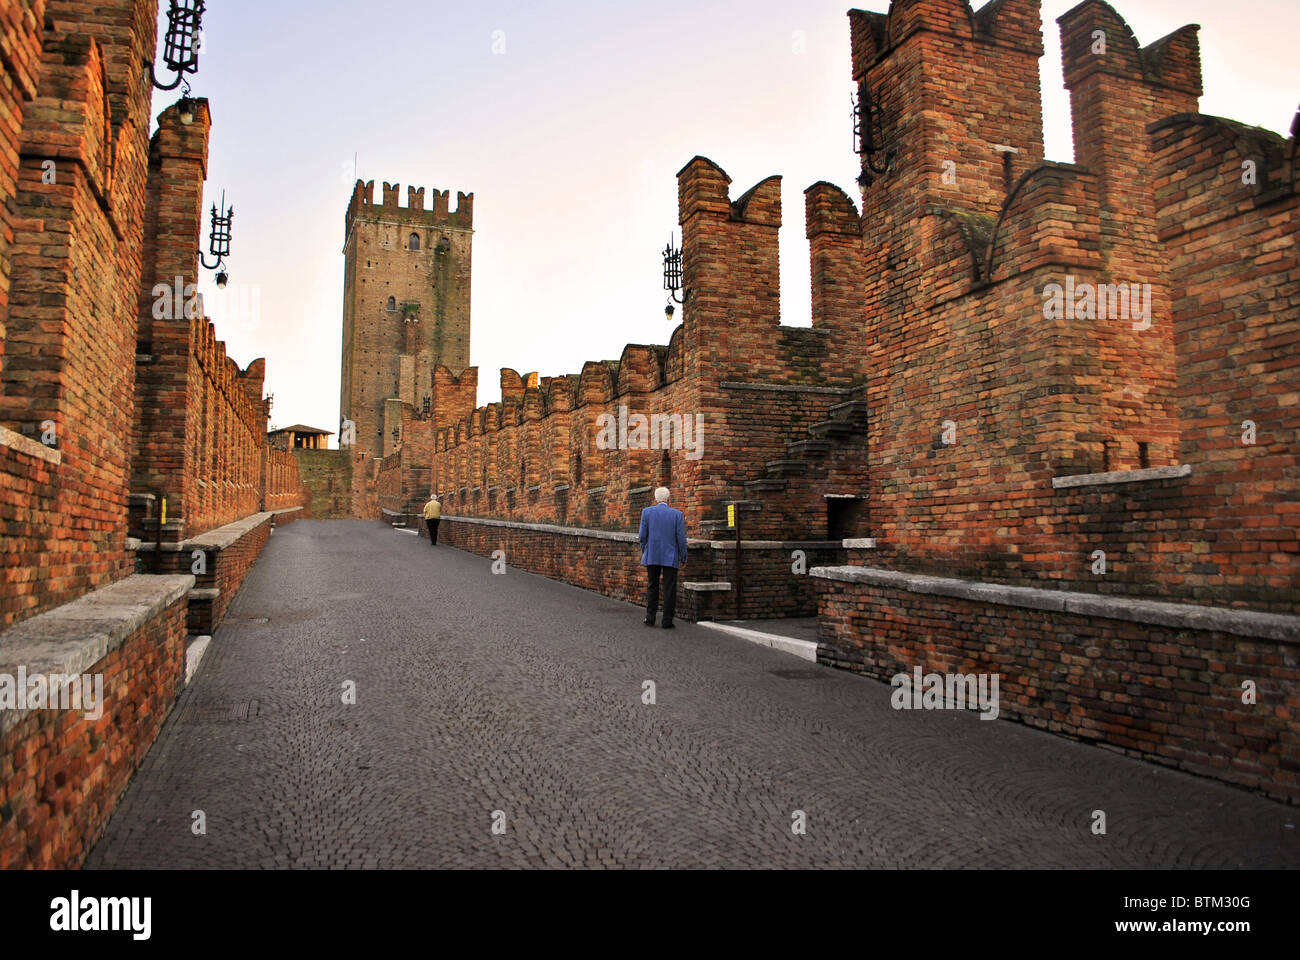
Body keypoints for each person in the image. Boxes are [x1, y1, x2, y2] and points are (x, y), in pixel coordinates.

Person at [638, 486, 687, 628]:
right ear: (668, 499)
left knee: (652, 586)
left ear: (655, 498)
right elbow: (681, 538)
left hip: (652, 554)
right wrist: (683, 556)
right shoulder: (677, 514)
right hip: (670, 556)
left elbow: (642, 536)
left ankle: (650, 617)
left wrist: (645, 550)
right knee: (669, 588)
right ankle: (667, 620)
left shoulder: (646, 512)